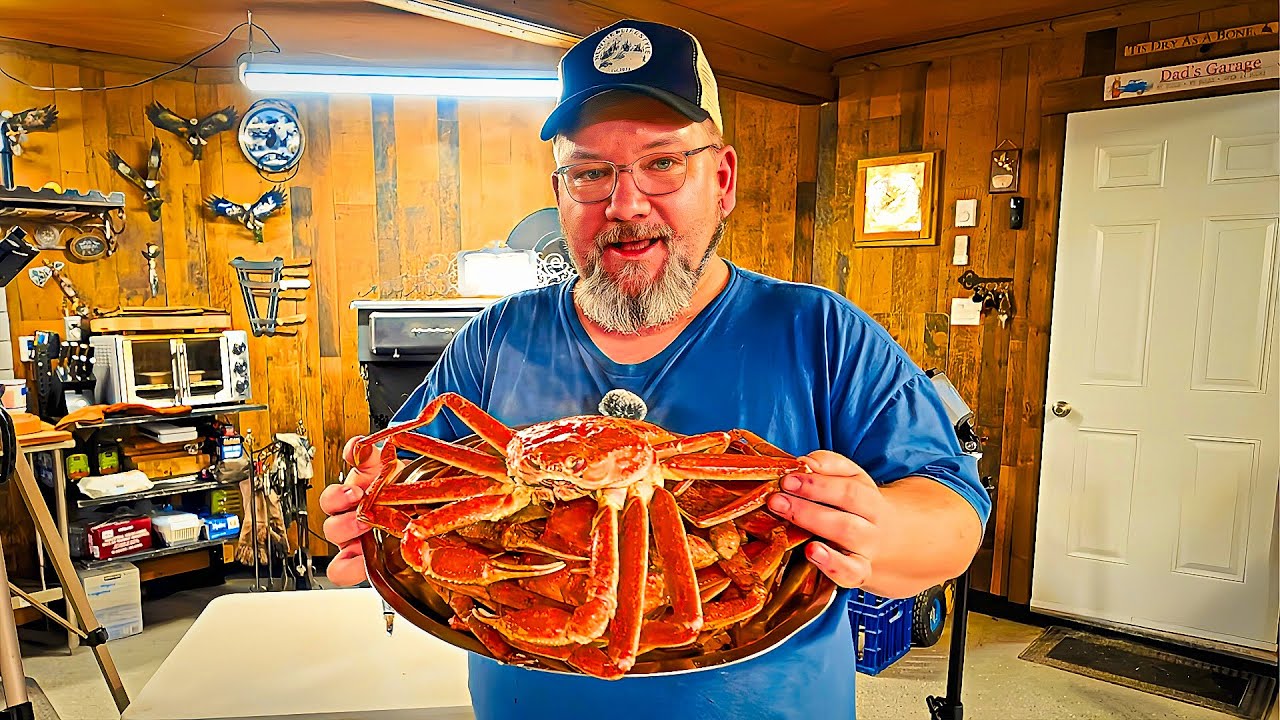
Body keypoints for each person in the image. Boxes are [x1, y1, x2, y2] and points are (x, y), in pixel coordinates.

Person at [320, 18, 989, 720]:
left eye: (663, 163)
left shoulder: (821, 332)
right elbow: (400, 477)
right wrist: (365, 515)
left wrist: (879, 528)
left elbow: (954, 512)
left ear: (722, 180)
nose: (626, 205)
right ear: (560, 192)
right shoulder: (496, 338)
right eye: (590, 173)